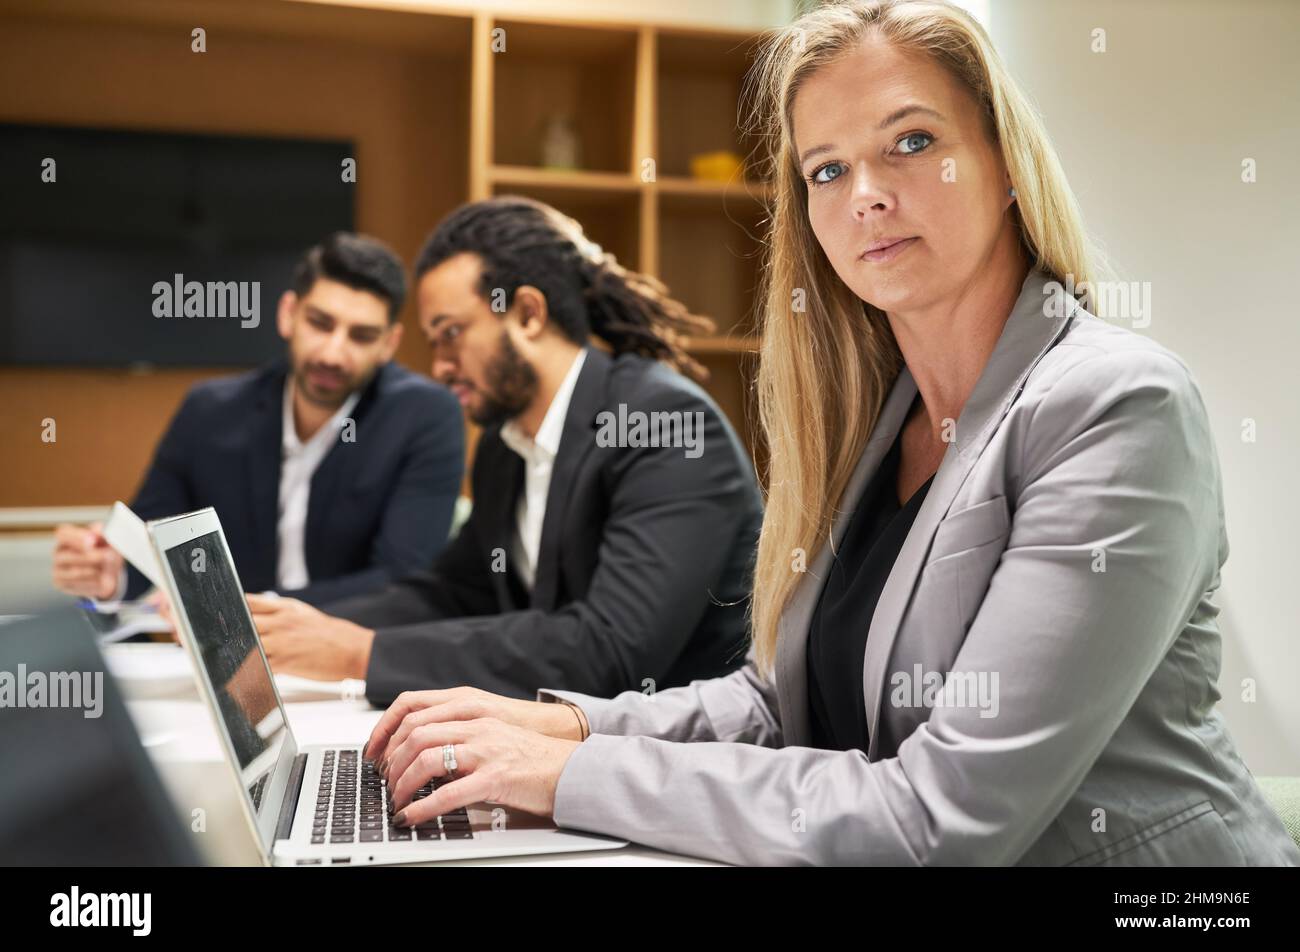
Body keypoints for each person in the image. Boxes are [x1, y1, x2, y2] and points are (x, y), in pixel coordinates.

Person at [359, 0, 1300, 866]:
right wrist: (562, 729)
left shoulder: (1115, 406)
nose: (866, 196)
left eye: (912, 141)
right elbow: (777, 701)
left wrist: (567, 781)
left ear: (1007, 164)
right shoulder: (871, 419)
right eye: (828, 168)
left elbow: (940, 821)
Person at [246, 197, 764, 706]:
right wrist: (282, 618)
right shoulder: (504, 445)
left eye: (451, 334)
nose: (441, 367)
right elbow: (452, 592)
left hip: (689, 761)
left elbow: (609, 649)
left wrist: (360, 655)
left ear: (528, 314)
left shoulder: (661, 425)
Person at [51, 232, 464, 609]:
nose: (333, 354)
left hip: (351, 658)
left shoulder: (425, 416)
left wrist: (255, 609)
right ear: (289, 314)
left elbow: (402, 579)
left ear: (389, 344)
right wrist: (111, 574)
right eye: (320, 324)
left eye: (361, 336)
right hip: (225, 661)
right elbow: (152, 541)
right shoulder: (210, 410)